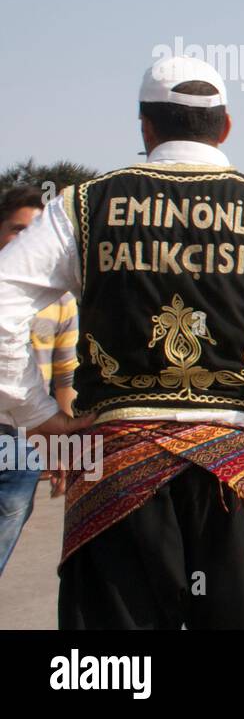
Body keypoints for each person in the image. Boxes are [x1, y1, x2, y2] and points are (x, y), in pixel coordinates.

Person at [0, 56, 244, 627]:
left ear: (145, 128)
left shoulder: (85, 206)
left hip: (111, 465)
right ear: (225, 127)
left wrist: (36, 414)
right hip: (232, 467)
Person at [0, 185, 82, 576]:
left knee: (10, 515)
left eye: (32, 234)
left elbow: (65, 378)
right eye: (17, 230)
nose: (24, 242)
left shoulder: (62, 300)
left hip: (22, 436)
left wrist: (64, 446)